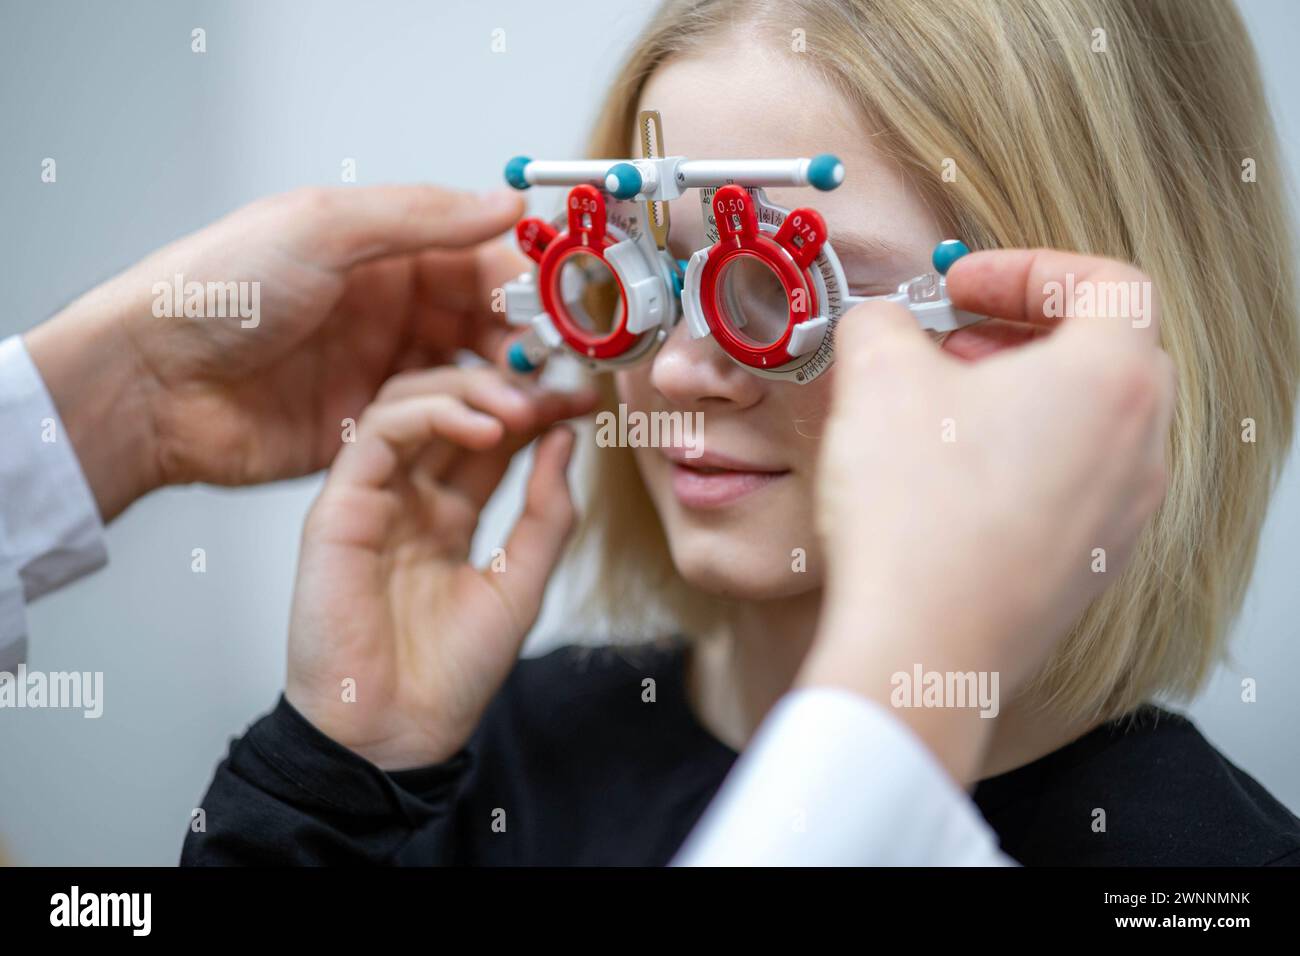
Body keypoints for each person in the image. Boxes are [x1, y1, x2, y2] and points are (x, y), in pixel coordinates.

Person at [182, 0, 1300, 866]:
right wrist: (330, 787)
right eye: (635, 272)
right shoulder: (487, 749)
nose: (672, 371)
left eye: (774, 287)